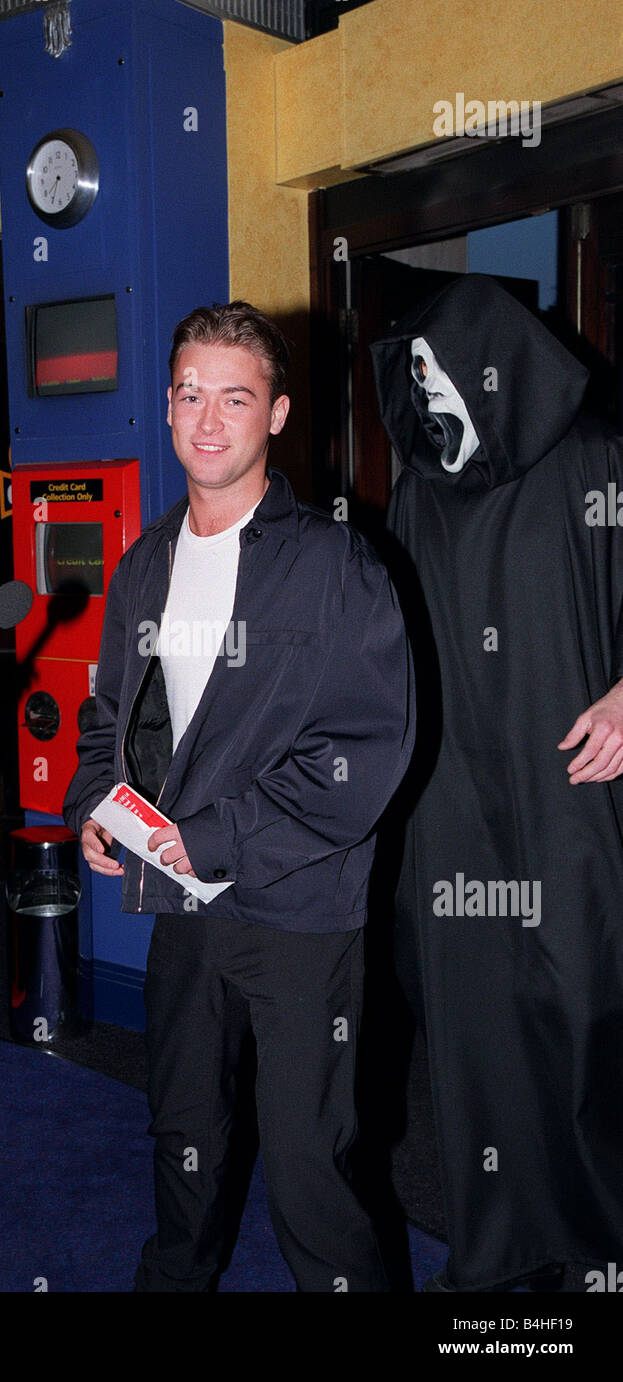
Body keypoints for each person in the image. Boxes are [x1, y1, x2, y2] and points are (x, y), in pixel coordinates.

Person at [64, 301, 414, 1291]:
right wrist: (102, 804)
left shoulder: (337, 565)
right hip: (184, 915)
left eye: (234, 397)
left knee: (313, 1174)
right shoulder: (142, 569)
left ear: (276, 414)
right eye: (187, 395)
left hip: (299, 913)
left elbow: (362, 754)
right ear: (166, 407)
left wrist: (206, 839)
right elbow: (110, 723)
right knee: (183, 1140)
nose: (206, 420)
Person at [372, 273, 623, 1291]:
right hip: (449, 803)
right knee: (469, 1020)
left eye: (442, 368)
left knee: (582, 1005)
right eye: (415, 372)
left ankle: (600, 1237)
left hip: (568, 787)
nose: (428, 391)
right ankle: (494, 1247)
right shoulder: (415, 491)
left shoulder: (595, 461)